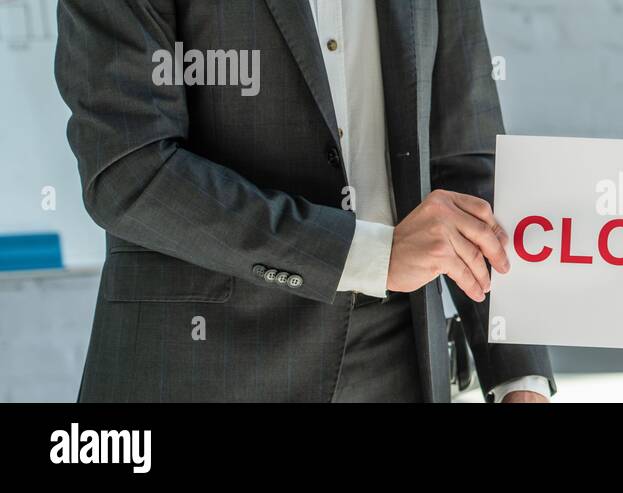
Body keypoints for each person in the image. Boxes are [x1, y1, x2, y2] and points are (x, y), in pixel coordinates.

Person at [54, 0, 553, 403]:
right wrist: (367, 256)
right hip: (205, 364)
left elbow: (467, 159)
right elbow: (129, 170)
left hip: (401, 360)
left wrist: (518, 375)